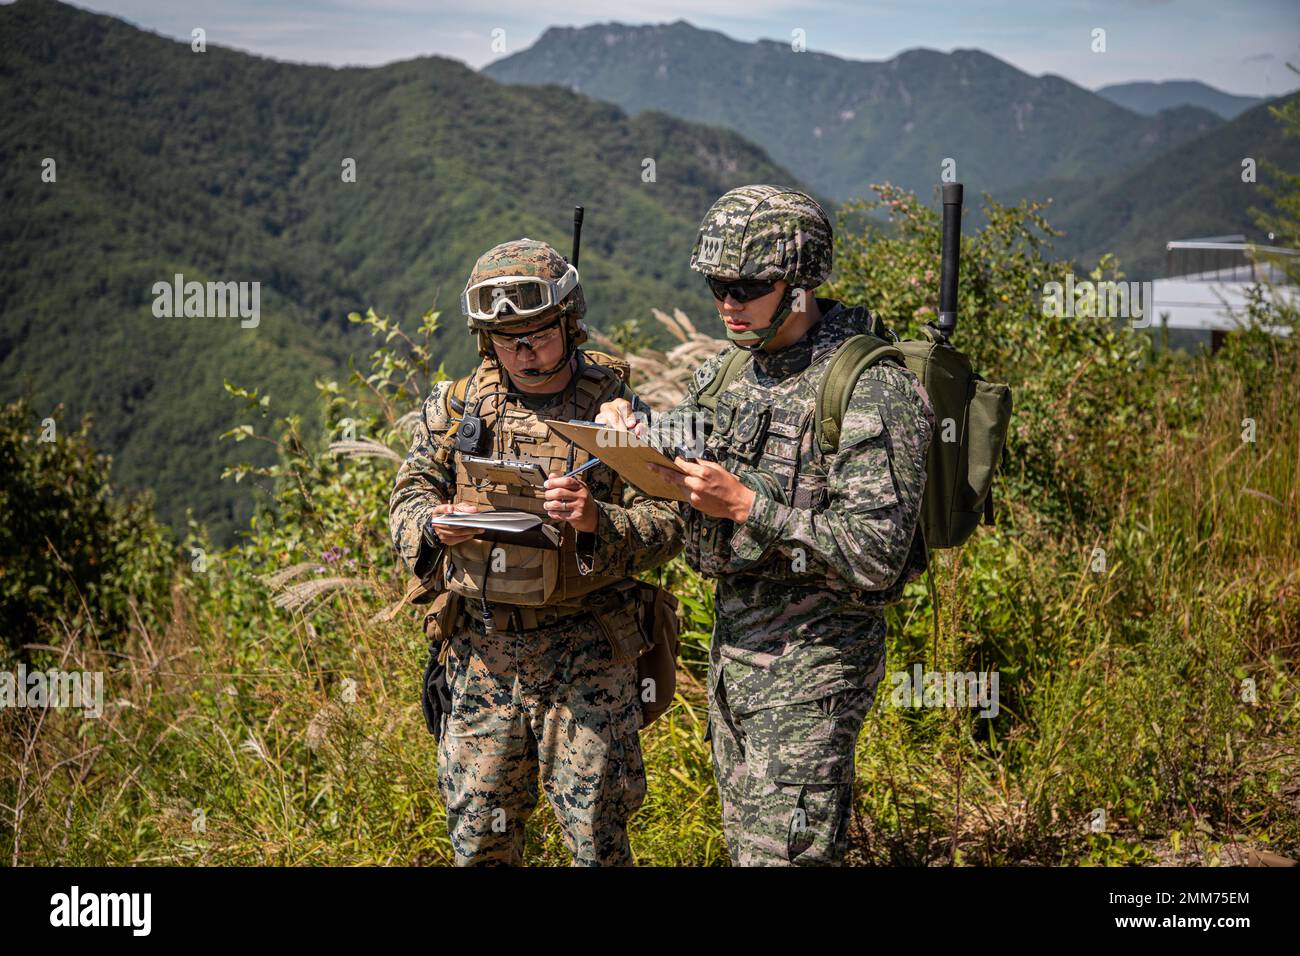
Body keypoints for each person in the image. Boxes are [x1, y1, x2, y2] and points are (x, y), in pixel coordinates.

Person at [597, 185, 934, 866]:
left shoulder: (869, 387)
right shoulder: (728, 373)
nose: (729, 301)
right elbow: (682, 450)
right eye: (719, 283)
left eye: (748, 285)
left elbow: (877, 557)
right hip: (735, 657)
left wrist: (750, 509)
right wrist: (632, 434)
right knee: (754, 849)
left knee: (787, 857)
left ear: (800, 284)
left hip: (816, 662)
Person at [390, 238, 683, 866]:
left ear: (569, 323)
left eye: (538, 335)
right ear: (483, 338)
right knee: (480, 837)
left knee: (596, 838)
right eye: (505, 338)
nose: (523, 350)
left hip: (588, 649)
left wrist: (597, 522)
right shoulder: (457, 407)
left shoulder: (618, 410)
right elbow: (407, 497)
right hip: (482, 653)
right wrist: (434, 524)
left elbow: (672, 519)